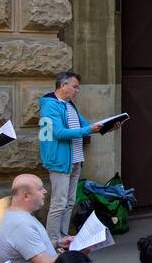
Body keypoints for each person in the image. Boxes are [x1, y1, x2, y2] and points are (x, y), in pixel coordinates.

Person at [40, 71, 108, 243]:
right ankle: (53, 241)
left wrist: (108, 126)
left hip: (75, 160)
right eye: (75, 87)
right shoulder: (50, 105)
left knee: (70, 202)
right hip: (60, 161)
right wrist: (88, 130)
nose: (77, 90)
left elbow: (87, 125)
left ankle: (63, 237)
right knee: (59, 203)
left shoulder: (69, 105)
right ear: (63, 85)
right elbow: (59, 133)